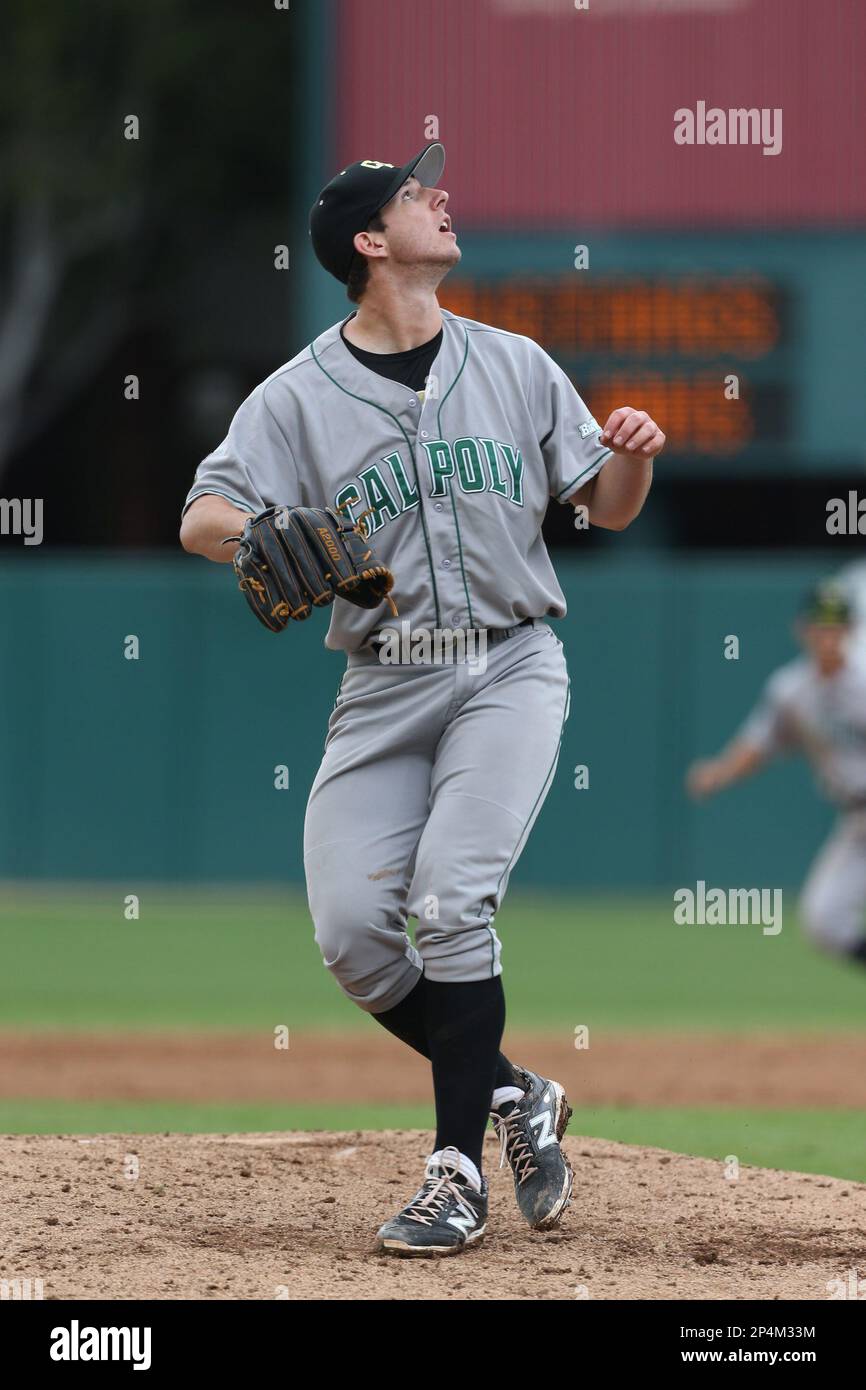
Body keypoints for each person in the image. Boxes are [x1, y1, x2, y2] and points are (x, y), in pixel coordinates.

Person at [180, 143, 664, 1256]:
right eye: (413, 193)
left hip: (505, 663)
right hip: (383, 681)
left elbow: (612, 506)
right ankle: (514, 1095)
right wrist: (253, 533)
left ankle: (454, 1173)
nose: (441, 197)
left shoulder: (513, 362)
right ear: (367, 240)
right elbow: (203, 513)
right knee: (354, 934)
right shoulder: (296, 394)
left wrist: (633, 453)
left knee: (449, 903)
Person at [687, 585, 866, 966]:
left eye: (836, 626)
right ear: (802, 629)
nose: (828, 636)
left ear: (851, 629)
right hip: (858, 820)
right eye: (820, 626)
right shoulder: (793, 690)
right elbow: (758, 744)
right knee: (825, 921)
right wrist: (719, 773)